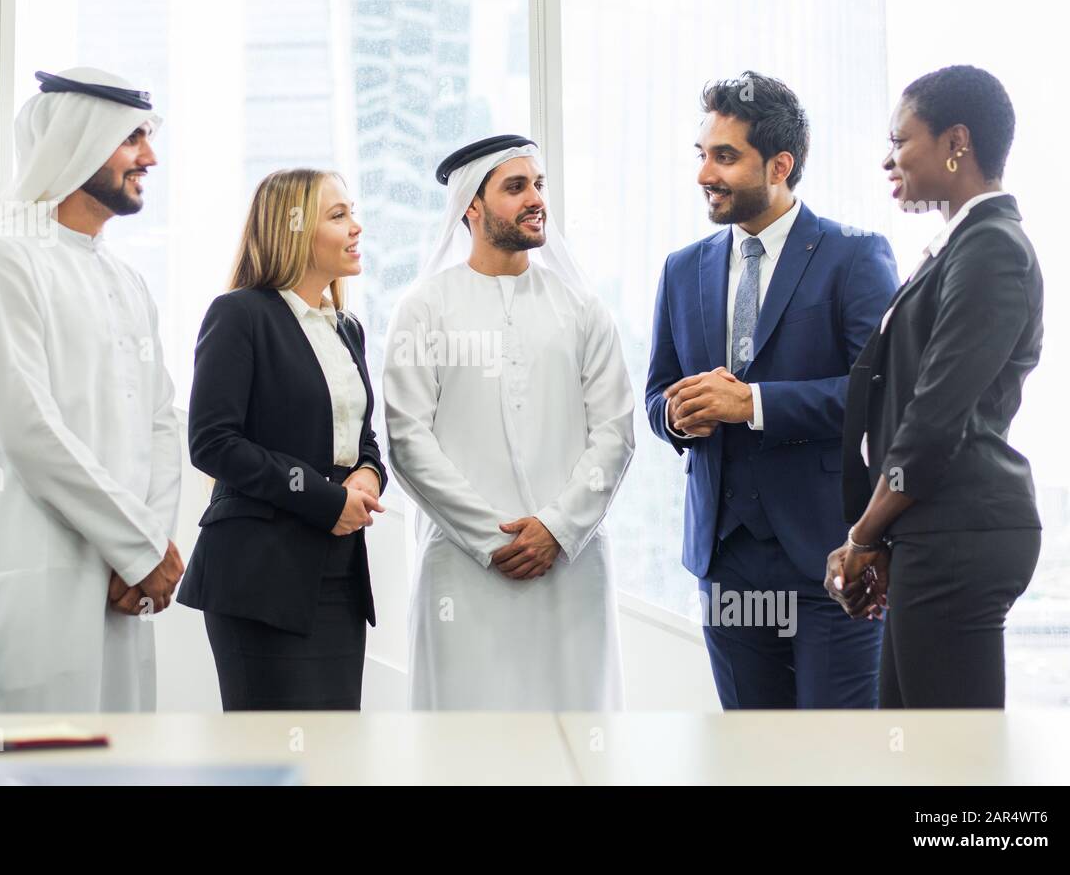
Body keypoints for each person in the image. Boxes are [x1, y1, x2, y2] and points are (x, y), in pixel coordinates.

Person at [0, 68, 185, 715]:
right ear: (77, 139)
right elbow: (28, 428)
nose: (149, 157)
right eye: (132, 139)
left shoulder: (128, 282)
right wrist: (139, 547)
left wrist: (149, 545)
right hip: (30, 592)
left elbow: (159, 422)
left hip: (120, 589)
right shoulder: (1, 262)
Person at [645, 72, 899, 709]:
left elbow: (880, 395)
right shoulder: (681, 269)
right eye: (702, 154)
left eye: (725, 157)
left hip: (831, 559)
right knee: (750, 758)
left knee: (836, 757)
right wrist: (678, 416)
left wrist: (752, 405)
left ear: (780, 164)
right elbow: (655, 398)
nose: (706, 172)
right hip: (725, 560)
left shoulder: (854, 256)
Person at [384, 134, 635, 711]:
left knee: (575, 741)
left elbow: (616, 433)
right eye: (516, 186)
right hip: (462, 568)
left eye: (539, 185)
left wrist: (556, 529)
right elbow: (407, 441)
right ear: (472, 205)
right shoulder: (424, 307)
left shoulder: (582, 308)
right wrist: (489, 538)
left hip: (572, 562)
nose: (536, 199)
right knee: (468, 746)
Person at [832, 65, 1043, 709]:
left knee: (953, 773)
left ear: (957, 143)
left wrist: (864, 535)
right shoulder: (959, 245)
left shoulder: (992, 248)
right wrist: (888, 538)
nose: (888, 159)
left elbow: (933, 418)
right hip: (936, 530)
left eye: (900, 141)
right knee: (915, 754)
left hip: (962, 532)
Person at [176, 169, 387, 711]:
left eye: (352, 211)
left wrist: (367, 472)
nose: (356, 226)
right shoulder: (240, 314)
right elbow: (213, 442)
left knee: (334, 757)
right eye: (338, 216)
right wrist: (325, 500)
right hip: (260, 577)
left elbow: (360, 437)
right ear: (292, 230)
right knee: (272, 761)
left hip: (339, 573)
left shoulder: (347, 328)